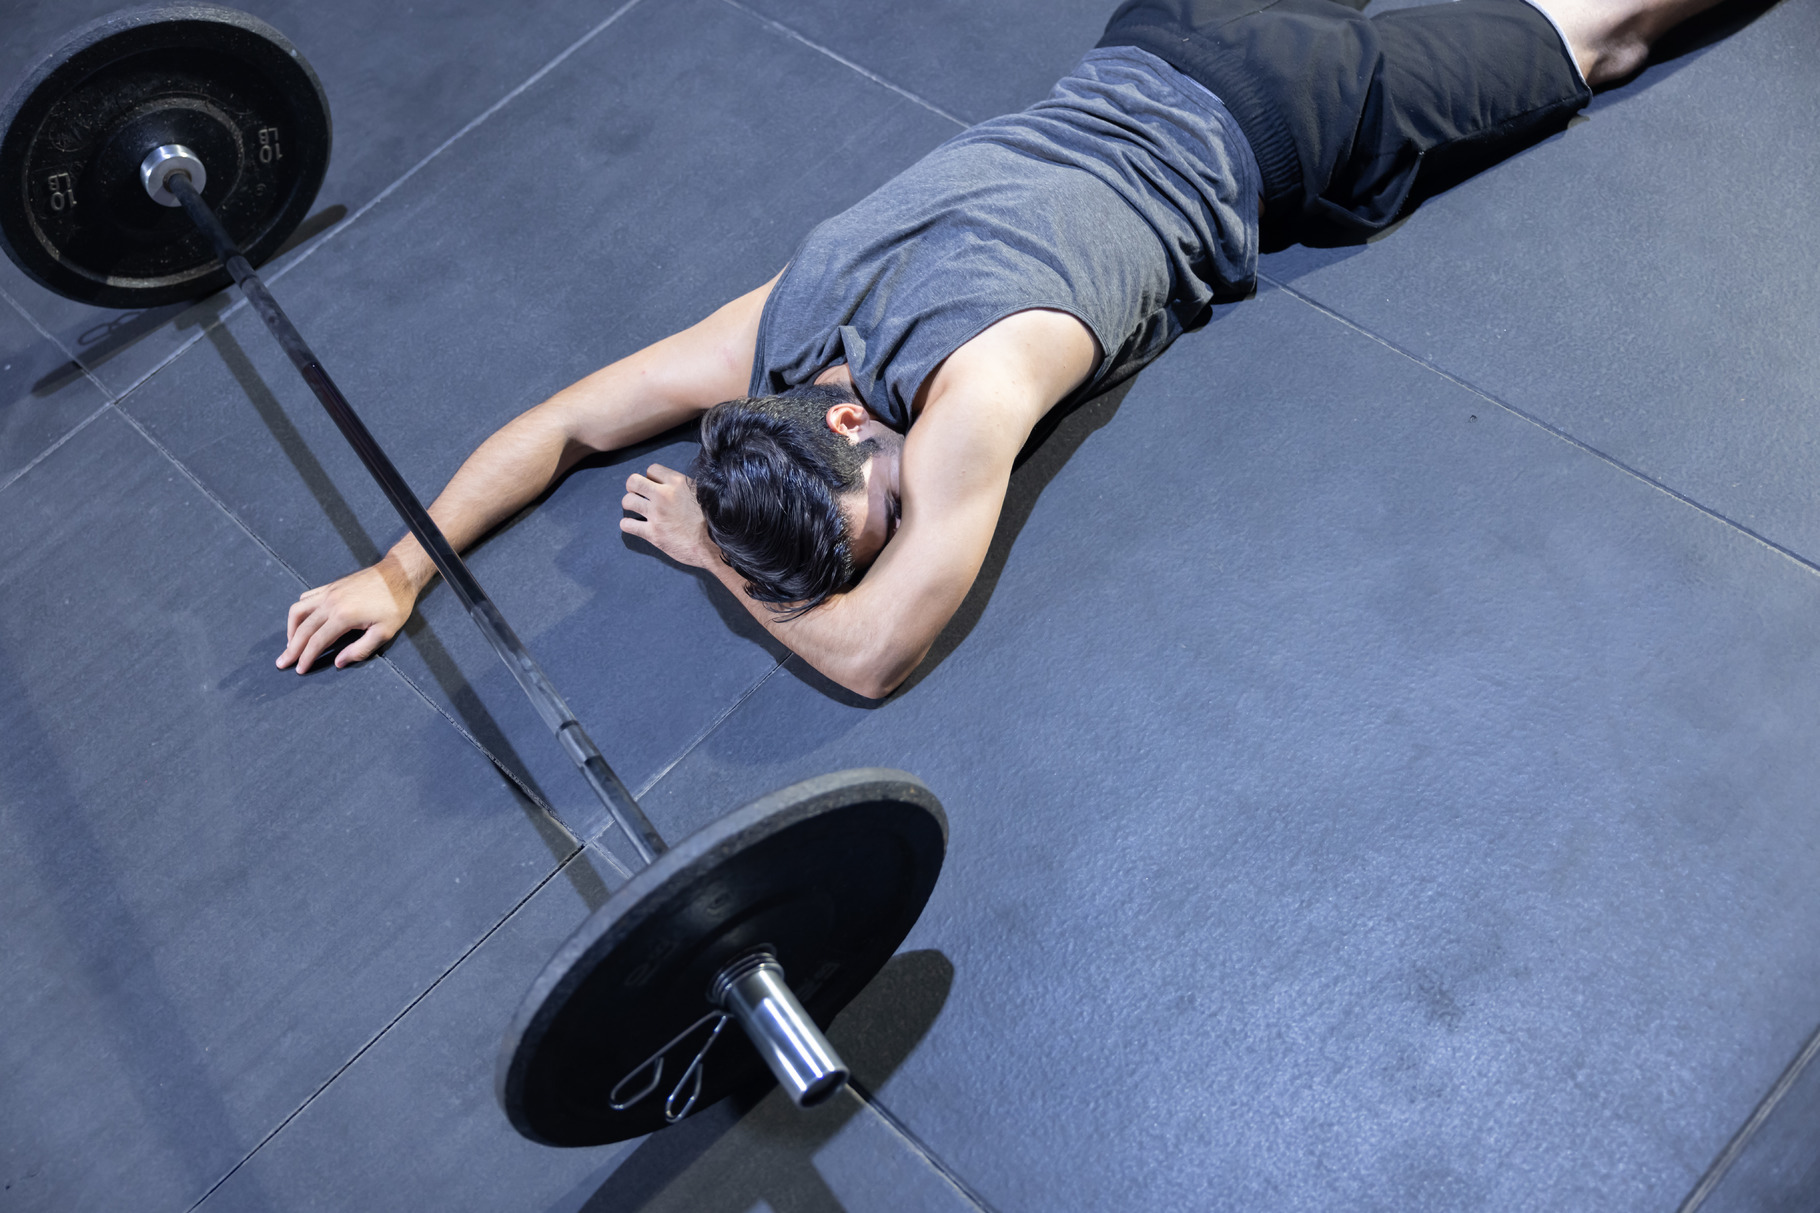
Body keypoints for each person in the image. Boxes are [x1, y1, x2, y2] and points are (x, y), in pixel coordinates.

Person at [278, 0, 1726, 698]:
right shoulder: (776, 322)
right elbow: (564, 426)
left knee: (1607, 36)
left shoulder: (971, 396)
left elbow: (873, 656)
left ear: (851, 426)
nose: (901, 524)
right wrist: (396, 572)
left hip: (1294, 115)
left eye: (882, 512)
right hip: (1164, 29)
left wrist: (715, 557)